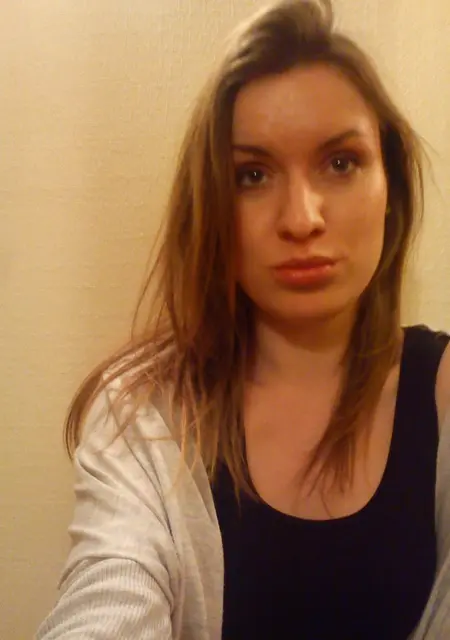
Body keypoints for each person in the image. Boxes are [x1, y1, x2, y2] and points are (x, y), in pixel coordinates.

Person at [36, 1, 450, 638]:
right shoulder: (144, 417)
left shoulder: (443, 390)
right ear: (211, 206)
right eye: (252, 175)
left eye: (341, 163)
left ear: (390, 185)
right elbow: (107, 595)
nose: (301, 219)